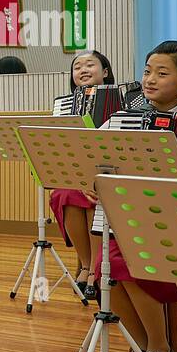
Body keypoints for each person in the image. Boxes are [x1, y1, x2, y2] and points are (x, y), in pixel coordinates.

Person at [84, 41, 177, 352]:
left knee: (126, 260)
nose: (150, 80)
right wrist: (90, 183)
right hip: (129, 224)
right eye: (147, 71)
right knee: (105, 267)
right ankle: (141, 345)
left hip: (173, 234)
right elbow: (94, 165)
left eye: (162, 73)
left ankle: (158, 347)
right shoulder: (121, 121)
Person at [47, 50, 115, 297]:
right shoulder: (66, 105)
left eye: (90, 65)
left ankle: (97, 268)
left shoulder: (124, 100)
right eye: (77, 67)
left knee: (95, 197)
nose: (83, 70)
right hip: (78, 173)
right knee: (64, 194)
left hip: (109, 174)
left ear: (105, 72)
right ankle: (87, 264)